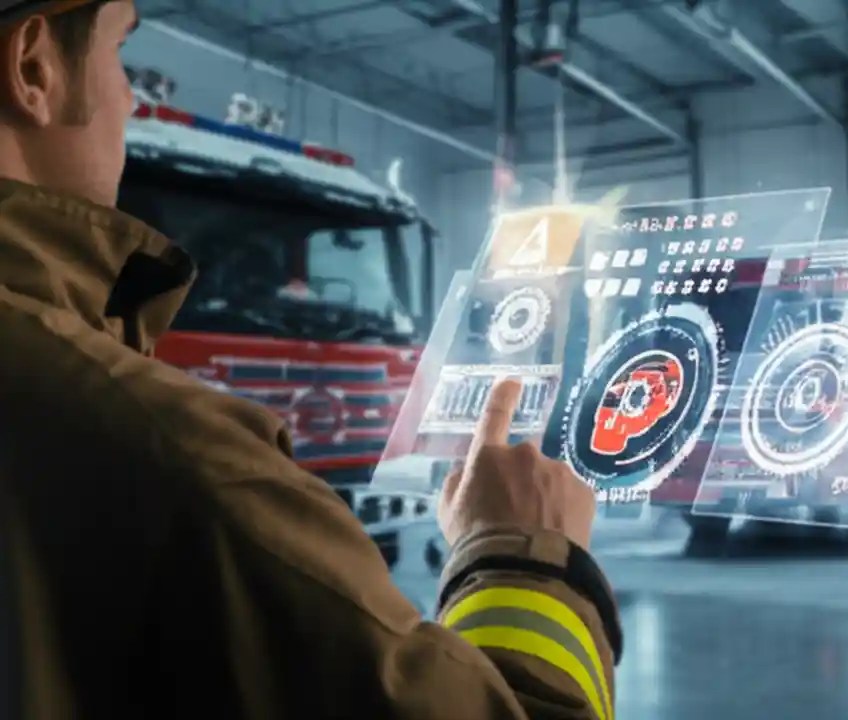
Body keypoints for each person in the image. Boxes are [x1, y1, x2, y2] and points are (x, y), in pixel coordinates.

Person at [0, 1, 620, 718]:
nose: (128, 98)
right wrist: (522, 558)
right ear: (33, 67)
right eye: (119, 54)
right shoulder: (176, 457)